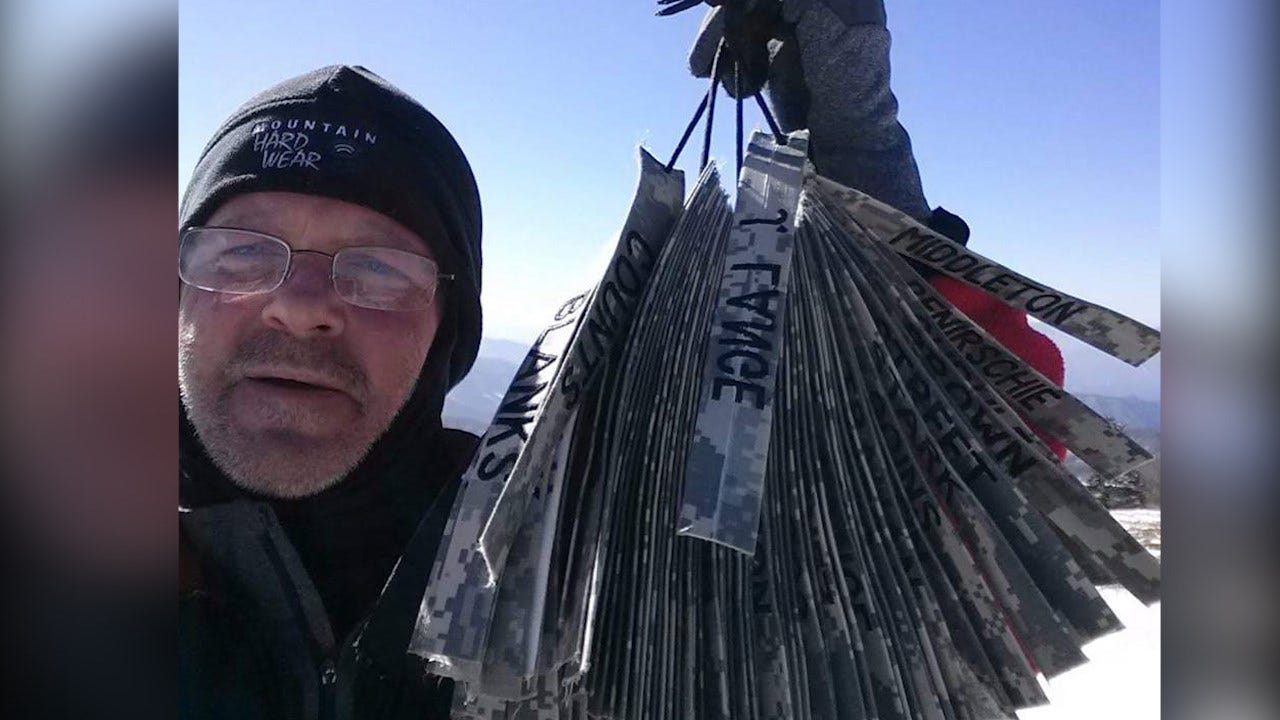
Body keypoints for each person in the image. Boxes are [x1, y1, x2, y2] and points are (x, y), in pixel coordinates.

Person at [179, 2, 1067, 719]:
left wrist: (866, 177)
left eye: (375, 267)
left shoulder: (599, 558)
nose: (297, 307)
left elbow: (972, 545)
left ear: (450, 326)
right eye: (239, 255)